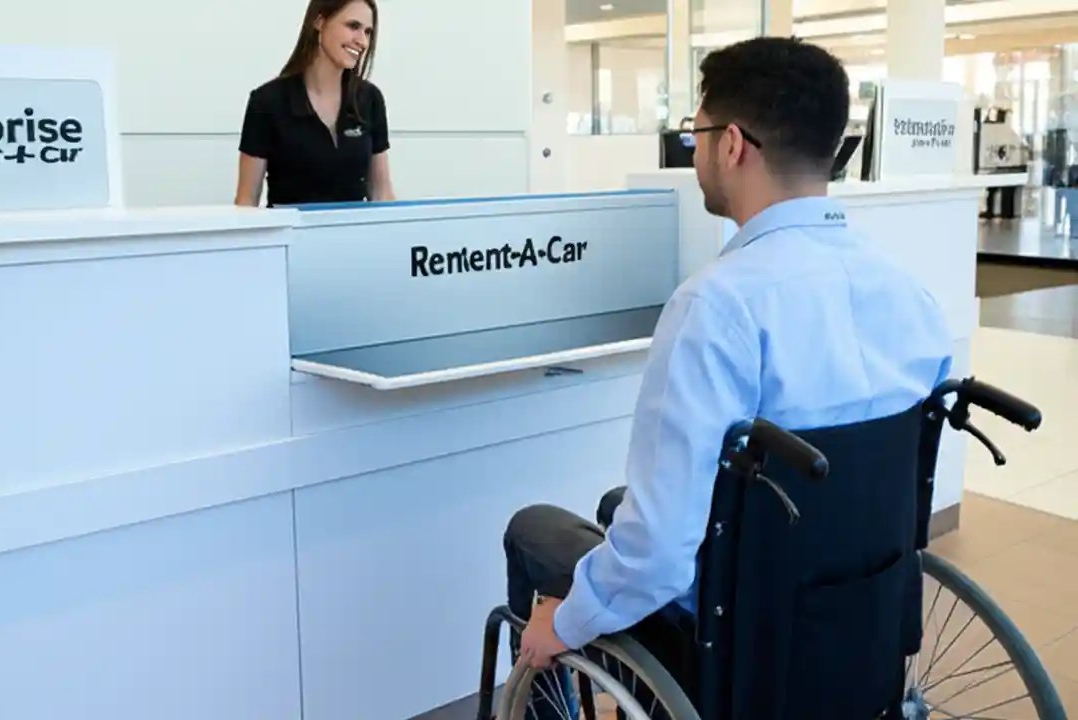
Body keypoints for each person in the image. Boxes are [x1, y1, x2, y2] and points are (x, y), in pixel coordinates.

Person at [501, 36, 954, 717]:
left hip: (737, 642)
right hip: (858, 626)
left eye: (697, 133)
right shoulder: (911, 299)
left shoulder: (716, 307)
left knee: (534, 528)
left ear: (733, 144)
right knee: (619, 506)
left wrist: (560, 624)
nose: (695, 151)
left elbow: (656, 559)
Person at [234, 0, 395, 207]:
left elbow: (382, 194)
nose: (362, 41)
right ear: (319, 21)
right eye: (353, 26)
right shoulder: (268, 102)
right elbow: (247, 202)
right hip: (293, 237)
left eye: (368, 32)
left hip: (355, 237)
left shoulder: (370, 99)